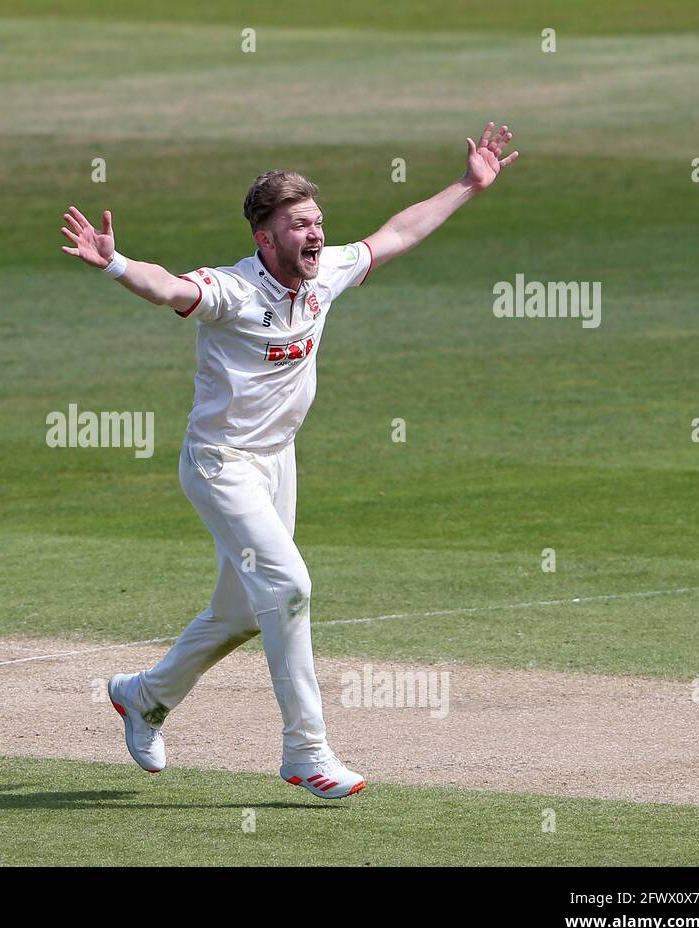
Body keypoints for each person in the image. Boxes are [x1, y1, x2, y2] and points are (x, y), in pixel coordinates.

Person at [61, 123, 518, 799]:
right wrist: (119, 263)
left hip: (278, 462)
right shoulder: (232, 292)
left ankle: (143, 696)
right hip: (222, 465)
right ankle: (305, 751)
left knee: (244, 613)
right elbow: (168, 289)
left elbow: (396, 234)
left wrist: (467, 184)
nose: (314, 235)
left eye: (318, 222)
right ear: (264, 236)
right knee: (289, 586)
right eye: (299, 224)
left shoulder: (325, 273)